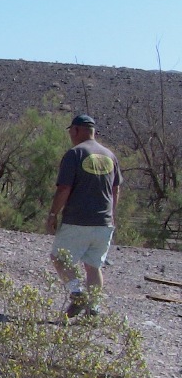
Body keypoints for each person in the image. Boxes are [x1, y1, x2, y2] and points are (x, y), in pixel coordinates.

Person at [45, 114, 122, 317]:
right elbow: (115, 190)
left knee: (59, 258)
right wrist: (111, 216)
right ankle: (94, 307)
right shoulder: (110, 156)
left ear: (77, 130)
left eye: (71, 130)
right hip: (104, 223)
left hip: (78, 220)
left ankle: (76, 293)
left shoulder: (75, 154)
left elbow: (64, 188)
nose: (71, 134)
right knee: (93, 266)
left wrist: (53, 214)